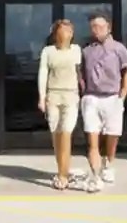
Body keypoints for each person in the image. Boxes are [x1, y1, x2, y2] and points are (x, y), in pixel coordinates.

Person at [79, 12, 127, 193]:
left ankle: (109, 164)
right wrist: (83, 91)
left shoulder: (119, 49)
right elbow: (80, 73)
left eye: (100, 27)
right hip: (92, 97)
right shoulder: (86, 50)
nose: (97, 30)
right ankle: (95, 174)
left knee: (112, 134)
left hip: (112, 97)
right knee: (92, 137)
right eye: (93, 27)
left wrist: (122, 95)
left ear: (108, 28)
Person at [37, 18, 83, 190]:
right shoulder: (48, 51)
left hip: (71, 95)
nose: (66, 34)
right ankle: (61, 169)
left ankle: (63, 176)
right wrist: (42, 97)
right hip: (53, 96)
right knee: (56, 134)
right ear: (56, 34)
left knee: (66, 133)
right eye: (63, 31)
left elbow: (80, 73)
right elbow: (43, 73)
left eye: (69, 31)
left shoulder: (76, 50)